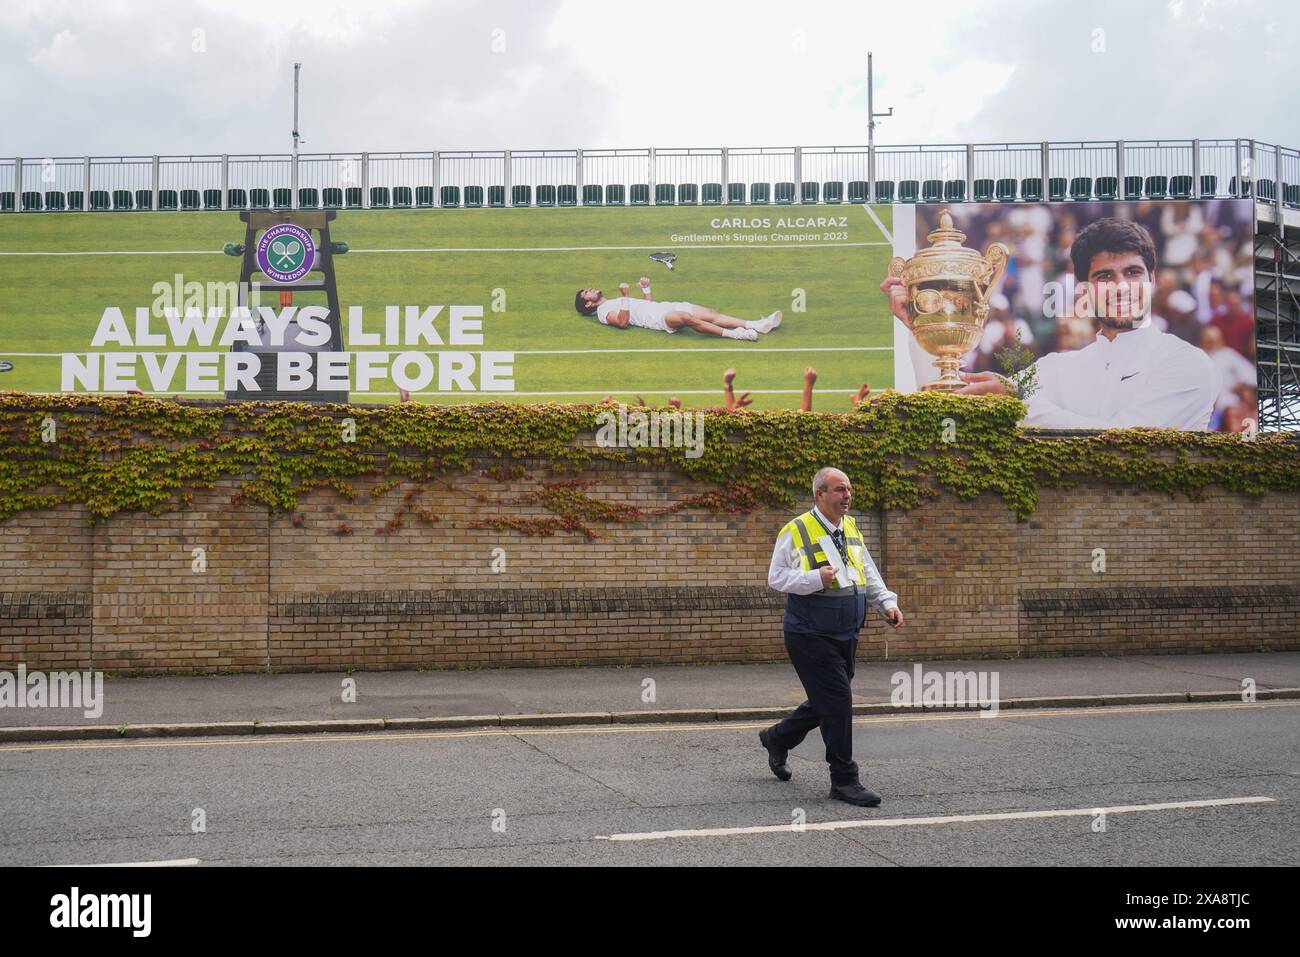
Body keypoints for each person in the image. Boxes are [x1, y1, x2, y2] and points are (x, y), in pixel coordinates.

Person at [882, 217, 1221, 430]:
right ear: (1083, 289)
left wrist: (1017, 404)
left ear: (1153, 280)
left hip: (1163, 541)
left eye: (1132, 272)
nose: (1120, 286)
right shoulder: (1057, 368)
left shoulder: (1188, 364)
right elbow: (958, 410)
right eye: (1105, 276)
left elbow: (1123, 447)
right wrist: (923, 326)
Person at [760, 467, 904, 807]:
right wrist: (814, 579)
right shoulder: (795, 530)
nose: (847, 495)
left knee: (828, 700)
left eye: (849, 489)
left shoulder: (851, 527)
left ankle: (777, 738)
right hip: (809, 632)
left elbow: (866, 571)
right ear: (819, 495)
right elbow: (776, 577)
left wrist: (886, 602)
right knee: (838, 701)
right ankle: (844, 779)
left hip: (846, 632)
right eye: (839, 490)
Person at [574, 277, 782, 340]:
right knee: (686, 318)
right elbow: (622, 323)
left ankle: (757, 324)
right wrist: (626, 296)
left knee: (710, 313)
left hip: (663, 307)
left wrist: (647, 289)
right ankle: (737, 335)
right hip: (659, 319)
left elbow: (649, 305)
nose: (590, 289)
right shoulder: (602, 313)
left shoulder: (613, 302)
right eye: (587, 293)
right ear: (589, 304)